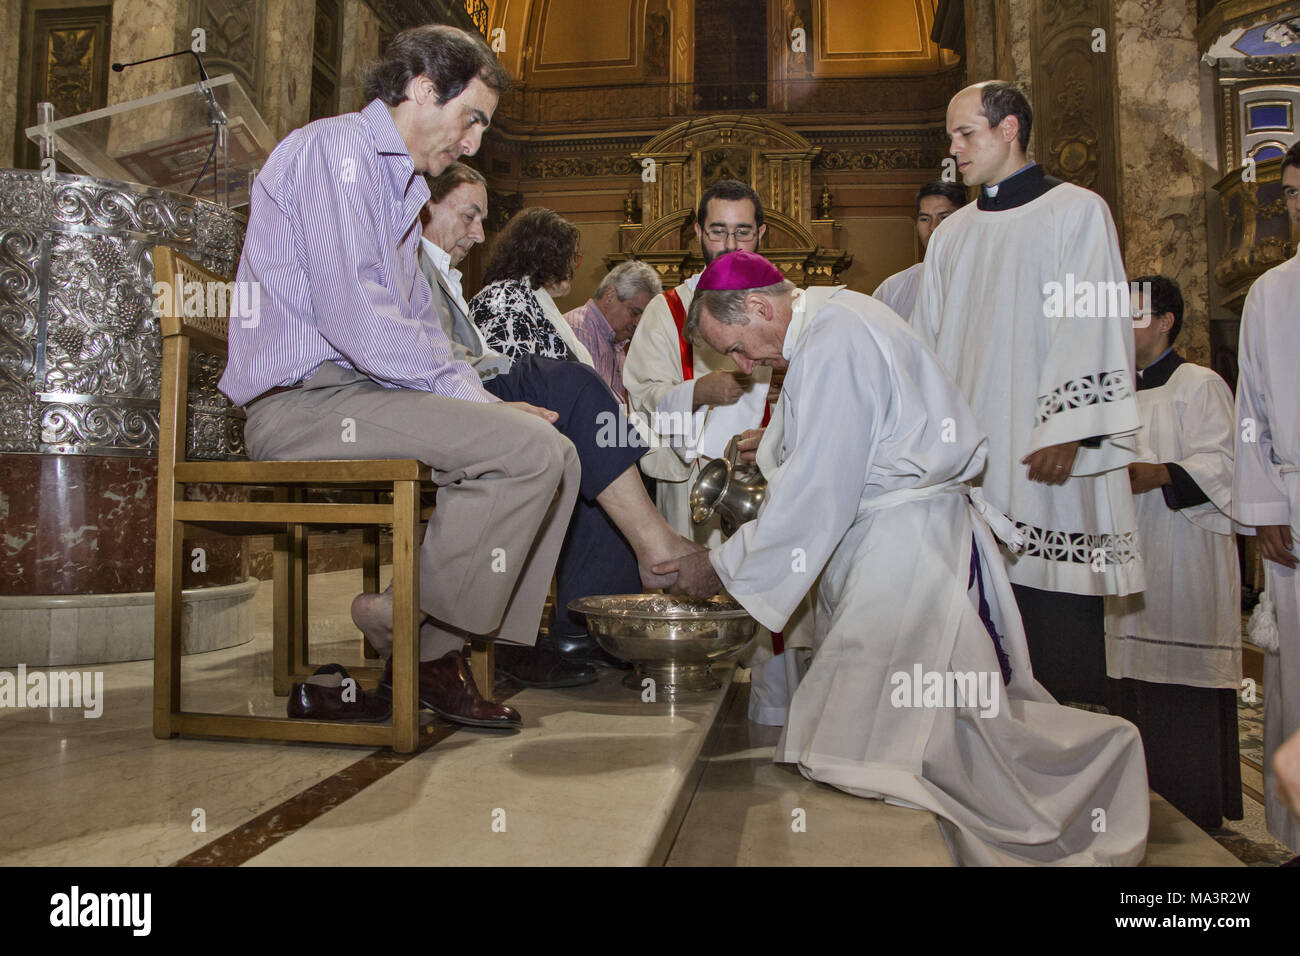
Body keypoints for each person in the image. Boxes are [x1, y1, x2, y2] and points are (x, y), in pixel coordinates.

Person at [218, 26, 683, 727]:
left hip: (362, 392)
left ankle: (414, 631)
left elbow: (420, 335)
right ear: (423, 89)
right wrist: (477, 402)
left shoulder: (398, 189)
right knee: (528, 449)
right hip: (303, 403)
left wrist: (476, 400)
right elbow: (357, 322)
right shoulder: (334, 152)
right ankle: (427, 642)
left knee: (555, 450)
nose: (471, 144)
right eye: (472, 119)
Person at [657, 250, 1149, 866]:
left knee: (872, 742)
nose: (745, 364)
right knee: (935, 726)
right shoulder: (838, 318)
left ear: (759, 305)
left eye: (736, 347)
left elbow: (821, 490)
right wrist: (780, 438)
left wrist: (718, 568)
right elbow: (862, 433)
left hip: (906, 549)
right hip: (901, 540)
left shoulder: (835, 338)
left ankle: (1093, 769)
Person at [912, 80, 1144, 707]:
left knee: (1052, 623)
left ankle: (1066, 778)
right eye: (951, 137)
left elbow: (1094, 321)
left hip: (1045, 458)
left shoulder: (1077, 211)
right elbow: (927, 349)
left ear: (1009, 128)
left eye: (966, 134)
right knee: (975, 626)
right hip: (972, 465)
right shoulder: (952, 236)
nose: (954, 149)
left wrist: (1071, 427)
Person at [418, 163, 693, 675]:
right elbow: (485, 364)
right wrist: (503, 404)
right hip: (459, 401)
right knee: (579, 407)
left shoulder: (464, 281)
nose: (479, 234)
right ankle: (592, 614)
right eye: (470, 216)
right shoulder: (493, 292)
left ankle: (593, 624)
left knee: (601, 457)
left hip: (481, 394)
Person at [1103, 276, 1242, 830]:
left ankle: (1193, 809)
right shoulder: (1112, 395)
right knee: (1131, 686)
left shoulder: (1199, 384)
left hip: (1184, 556)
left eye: (1134, 314)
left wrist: (1162, 473)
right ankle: (1139, 813)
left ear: (1166, 321)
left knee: (1180, 689)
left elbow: (1230, 467)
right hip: (1129, 560)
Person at [623, 179, 773, 545]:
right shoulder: (668, 310)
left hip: (771, 472)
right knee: (696, 590)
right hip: (694, 481)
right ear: (698, 232)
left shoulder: (782, 306)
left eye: (743, 232)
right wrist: (696, 393)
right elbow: (641, 397)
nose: (731, 246)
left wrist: (778, 433)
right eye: (718, 232)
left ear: (762, 233)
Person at [1233, 139, 1300, 851]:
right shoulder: (1273, 292)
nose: (1298, 205)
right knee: (1296, 681)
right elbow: (1250, 409)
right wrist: (1265, 511)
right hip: (1294, 501)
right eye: (1290, 194)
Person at [468, 207, 593, 366]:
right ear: (548, 257)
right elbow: (512, 376)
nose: (571, 268)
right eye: (570, 258)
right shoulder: (504, 299)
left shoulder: (522, 297)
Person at [564, 260, 662, 400]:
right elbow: (588, 404)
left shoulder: (616, 344)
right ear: (610, 296)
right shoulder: (579, 331)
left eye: (644, 317)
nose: (638, 323)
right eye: (634, 313)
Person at [871, 180, 967, 321]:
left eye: (944, 217)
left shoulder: (983, 279)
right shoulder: (895, 288)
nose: (933, 228)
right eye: (925, 219)